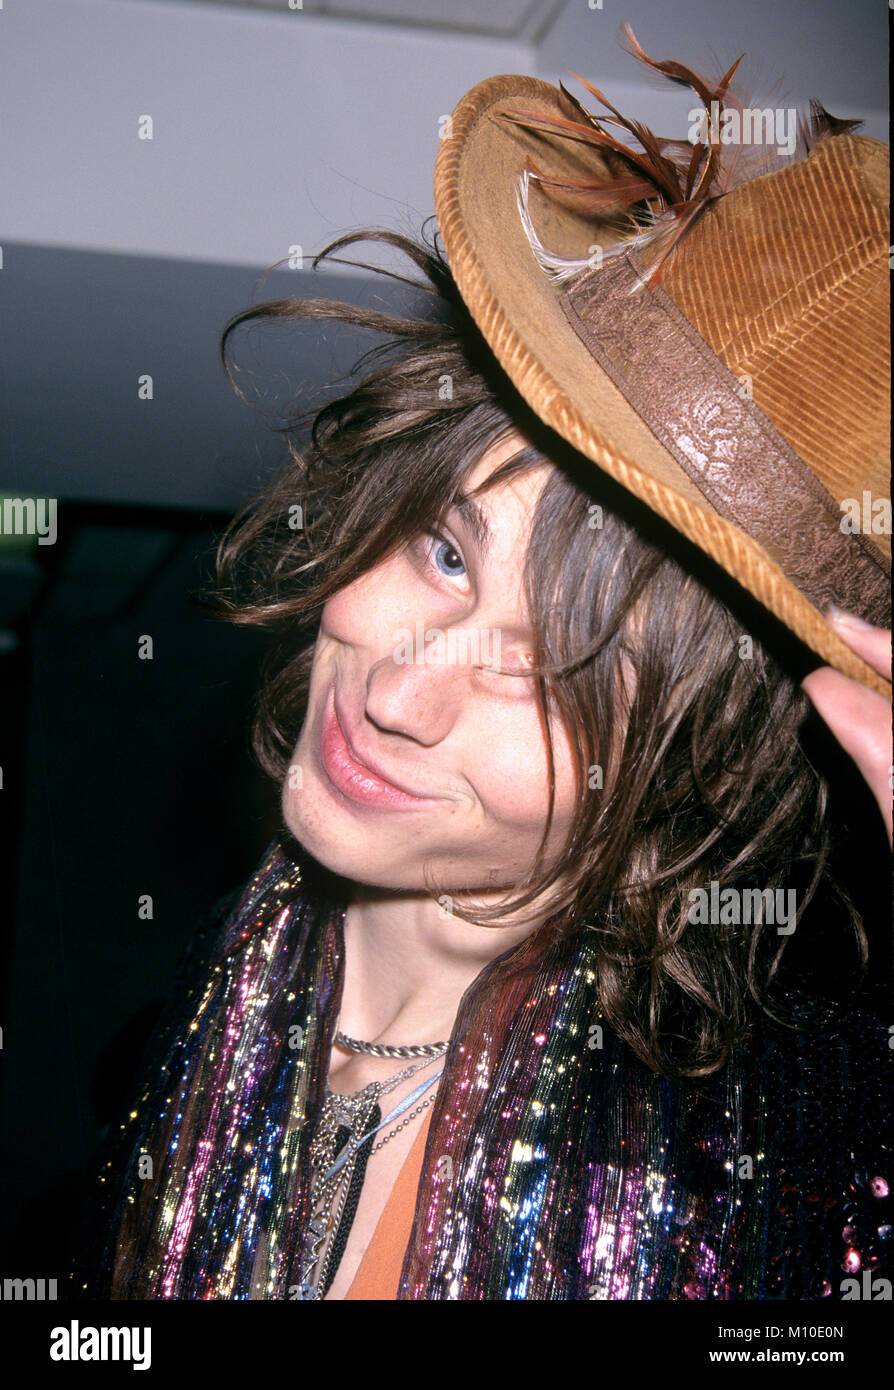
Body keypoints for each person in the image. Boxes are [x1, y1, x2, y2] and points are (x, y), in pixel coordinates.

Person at [77, 31, 891, 1301]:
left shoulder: (780, 1154)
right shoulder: (208, 1012)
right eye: (445, 554)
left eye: (556, 675)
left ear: (693, 779)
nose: (396, 695)